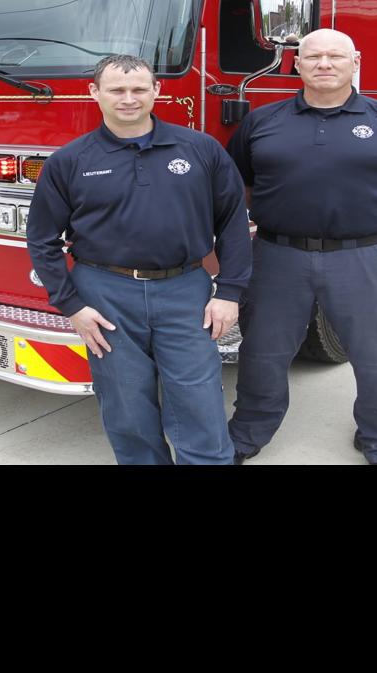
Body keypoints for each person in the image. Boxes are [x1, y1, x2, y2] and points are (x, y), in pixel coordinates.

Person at [225, 28, 377, 465]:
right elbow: (240, 189)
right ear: (296, 64)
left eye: (335, 56)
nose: (324, 64)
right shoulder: (262, 121)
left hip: (366, 257)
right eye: (313, 57)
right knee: (263, 352)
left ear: (355, 62)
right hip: (277, 256)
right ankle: (248, 433)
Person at [26, 54, 251, 465]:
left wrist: (230, 291)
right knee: (125, 402)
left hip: (186, 291)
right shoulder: (69, 161)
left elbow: (234, 223)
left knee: (198, 397)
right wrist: (71, 305)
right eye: (116, 90)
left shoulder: (201, 150)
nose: (128, 99)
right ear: (95, 93)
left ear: (156, 92)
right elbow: (41, 239)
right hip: (105, 294)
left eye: (138, 89)